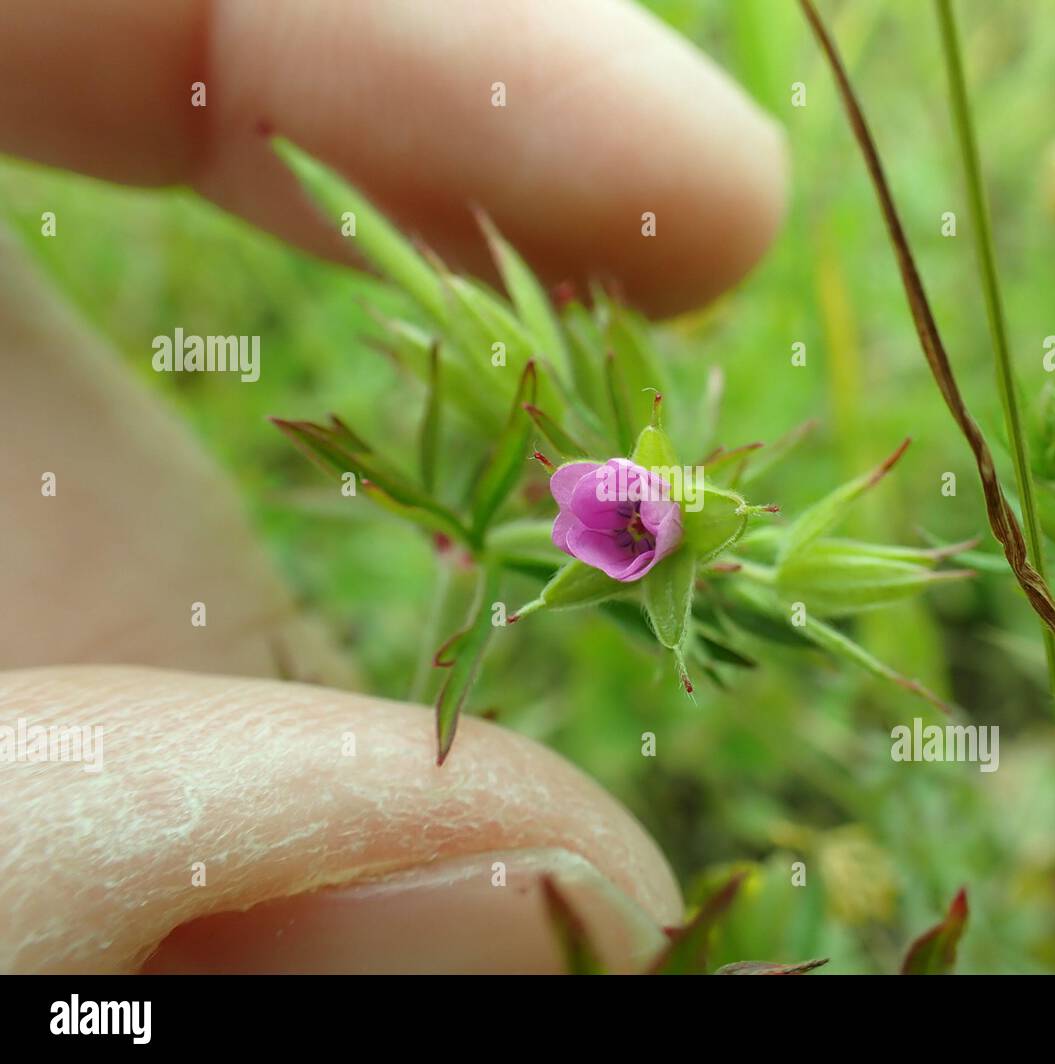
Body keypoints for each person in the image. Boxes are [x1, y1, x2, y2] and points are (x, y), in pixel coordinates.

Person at [0, 0, 786, 974]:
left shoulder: (619, 516)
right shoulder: (570, 492)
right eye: (629, 513)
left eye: (635, 521)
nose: (627, 519)